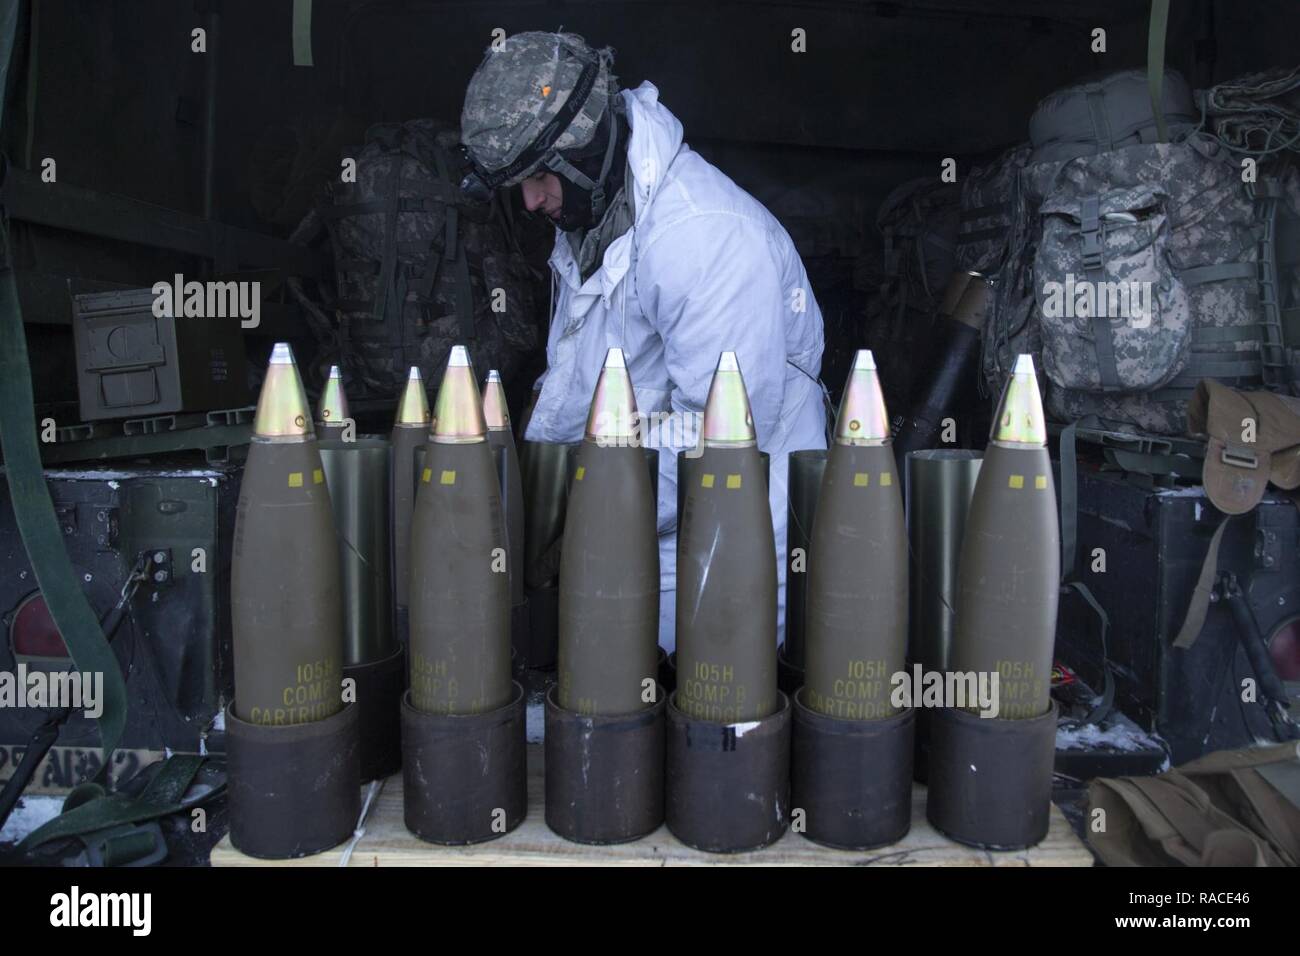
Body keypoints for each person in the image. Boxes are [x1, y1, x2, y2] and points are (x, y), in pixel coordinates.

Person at [460, 31, 826, 651]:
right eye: (517, 183)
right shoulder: (596, 216)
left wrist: (574, 514)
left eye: (541, 175)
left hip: (719, 540)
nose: (530, 201)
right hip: (634, 524)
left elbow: (718, 440)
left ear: (590, 144)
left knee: (698, 714)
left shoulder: (705, 239)